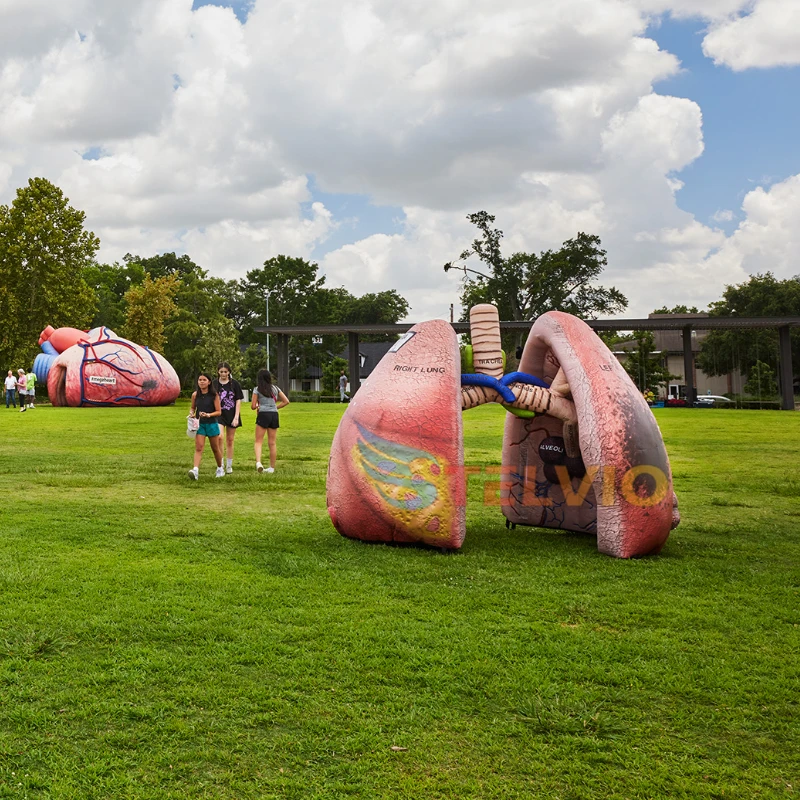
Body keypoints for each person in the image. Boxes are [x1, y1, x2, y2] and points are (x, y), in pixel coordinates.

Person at [188, 372, 225, 480]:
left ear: (209, 382)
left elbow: (219, 412)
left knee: (215, 448)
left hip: (212, 424)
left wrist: (209, 414)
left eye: (204, 380)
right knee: (199, 448)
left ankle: (220, 468)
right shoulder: (195, 395)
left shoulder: (214, 395)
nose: (202, 382)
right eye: (200, 380)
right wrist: (191, 413)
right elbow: (193, 408)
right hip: (200, 425)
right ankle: (195, 470)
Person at [251, 368, 289, 474]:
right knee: (272, 443)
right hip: (274, 415)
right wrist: (276, 407)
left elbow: (253, 406)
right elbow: (286, 401)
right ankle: (272, 468)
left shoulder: (257, 389)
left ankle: (258, 462)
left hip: (263, 414)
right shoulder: (275, 388)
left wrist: (259, 406)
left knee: (258, 441)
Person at [213, 362, 243, 474]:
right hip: (219, 414)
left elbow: (238, 400)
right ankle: (220, 465)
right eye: (221, 372)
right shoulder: (214, 384)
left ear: (229, 372)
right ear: (218, 372)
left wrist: (236, 417)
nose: (223, 374)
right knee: (219, 437)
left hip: (231, 414)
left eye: (225, 372)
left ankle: (229, 465)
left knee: (230, 440)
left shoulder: (234, 384)